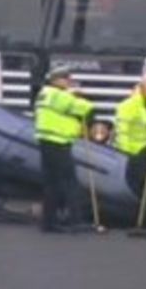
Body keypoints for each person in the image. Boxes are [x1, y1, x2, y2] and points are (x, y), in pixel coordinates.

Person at [34, 66, 94, 233]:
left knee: (52, 184)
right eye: (66, 79)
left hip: (48, 141)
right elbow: (83, 108)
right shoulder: (57, 95)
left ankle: (49, 222)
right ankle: (75, 221)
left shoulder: (45, 93)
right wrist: (80, 96)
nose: (68, 82)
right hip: (57, 142)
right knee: (70, 182)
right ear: (55, 80)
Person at [114, 78, 146, 196]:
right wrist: (124, 152)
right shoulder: (128, 106)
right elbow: (122, 131)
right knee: (134, 184)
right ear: (142, 89)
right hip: (132, 152)